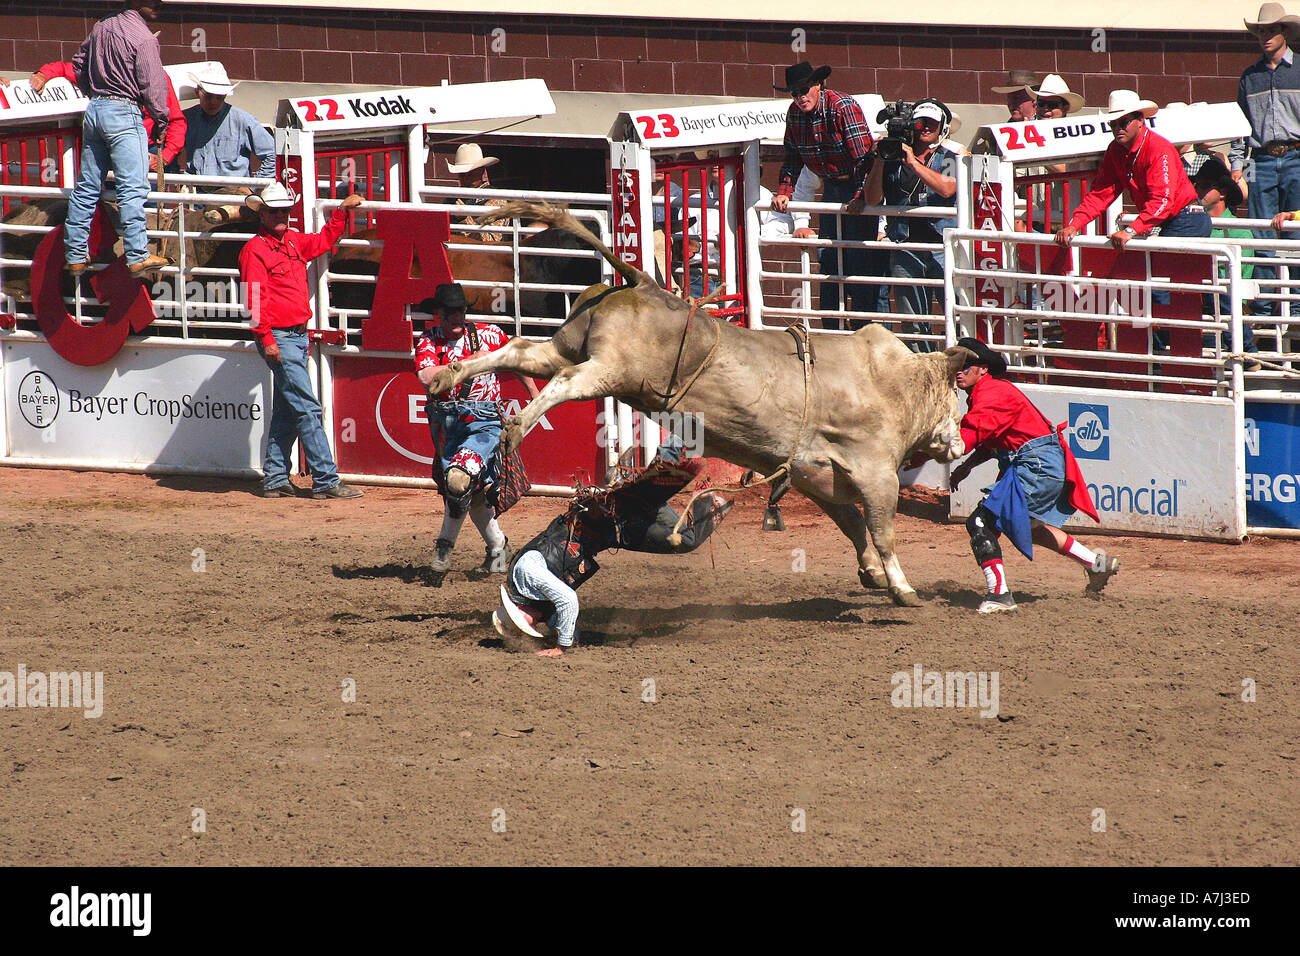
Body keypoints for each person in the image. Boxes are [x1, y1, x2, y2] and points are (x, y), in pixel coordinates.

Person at [494, 439, 733, 656]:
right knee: (684, 539)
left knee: (653, 488)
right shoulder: (540, 604)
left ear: (517, 605)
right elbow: (568, 621)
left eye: (526, 622)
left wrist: (560, 647)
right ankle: (717, 497)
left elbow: (568, 601)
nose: (533, 624)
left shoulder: (526, 573)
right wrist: (567, 637)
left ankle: (682, 432)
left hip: (607, 516)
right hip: (614, 533)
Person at [947, 338, 1119, 614]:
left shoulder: (990, 393)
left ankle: (999, 595)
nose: (959, 370)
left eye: (966, 365)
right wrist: (968, 466)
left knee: (981, 522)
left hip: (1036, 464)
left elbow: (969, 436)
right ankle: (1097, 564)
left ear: (983, 369)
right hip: (1043, 463)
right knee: (1027, 527)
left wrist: (931, 447)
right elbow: (992, 439)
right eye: (956, 364)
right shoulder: (992, 391)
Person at [239, 182, 365, 500]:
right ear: (262, 214)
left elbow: (322, 241)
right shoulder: (255, 251)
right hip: (281, 337)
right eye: (275, 211)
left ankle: (275, 479)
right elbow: (252, 301)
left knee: (289, 409)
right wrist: (266, 339)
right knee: (307, 408)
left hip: (291, 336)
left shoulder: (291, 242)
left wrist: (341, 213)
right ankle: (325, 480)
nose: (281, 215)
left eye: (284, 210)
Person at [415, 283, 541, 572]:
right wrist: (468, 363)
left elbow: (515, 358)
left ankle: (442, 554)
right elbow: (426, 377)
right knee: (470, 494)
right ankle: (499, 549)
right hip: (446, 424)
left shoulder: (489, 333)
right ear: (438, 314)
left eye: (461, 311)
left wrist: (535, 395)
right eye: (450, 312)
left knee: (458, 482)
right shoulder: (429, 339)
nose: (457, 317)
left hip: (484, 422)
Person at [63, 0, 171, 279]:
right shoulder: (144, 38)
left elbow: (78, 63)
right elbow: (154, 85)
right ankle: (137, 255)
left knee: (87, 186)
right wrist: (160, 121)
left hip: (96, 109)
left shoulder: (102, 26)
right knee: (132, 187)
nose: (159, 4)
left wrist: (92, 91)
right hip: (124, 111)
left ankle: (75, 254)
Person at [770, 61, 881, 327]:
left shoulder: (843, 107)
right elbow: (793, 156)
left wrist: (861, 196)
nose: (800, 97)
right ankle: (832, 328)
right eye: (794, 92)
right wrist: (785, 191)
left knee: (860, 264)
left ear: (819, 85)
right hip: (832, 186)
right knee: (830, 260)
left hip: (858, 184)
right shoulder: (795, 114)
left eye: (804, 89)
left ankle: (864, 329)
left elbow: (863, 159)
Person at [1055, 90, 1209, 250]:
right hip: (1171, 219)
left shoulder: (1158, 149)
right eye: (1113, 124)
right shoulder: (1115, 150)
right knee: (1146, 270)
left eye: (1124, 122)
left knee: (1157, 270)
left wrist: (1130, 230)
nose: (1118, 128)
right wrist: (1074, 225)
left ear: (1140, 120)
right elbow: (1101, 194)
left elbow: (1162, 200)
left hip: (1187, 218)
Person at [862, 98, 958, 353]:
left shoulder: (949, 156)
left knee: (956, 314)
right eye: (920, 123)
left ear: (942, 127)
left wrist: (914, 163)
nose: (926, 128)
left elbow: (947, 188)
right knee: (913, 323)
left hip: (942, 246)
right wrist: (880, 160)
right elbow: (872, 199)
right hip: (905, 246)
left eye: (932, 123)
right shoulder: (892, 158)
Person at [5, 57, 186, 175]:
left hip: (145, 152)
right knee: (106, 210)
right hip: (109, 150)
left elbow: (176, 122)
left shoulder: (157, 77)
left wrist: (165, 157)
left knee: (147, 211)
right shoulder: (102, 72)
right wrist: (44, 74)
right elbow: (64, 68)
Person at [1233, 4, 1300, 318]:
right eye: (1261, 30)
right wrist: (1239, 170)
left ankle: (1296, 310)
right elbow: (1240, 129)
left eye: (1271, 29)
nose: (1265, 36)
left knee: (1296, 234)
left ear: (1284, 32)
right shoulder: (1249, 77)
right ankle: (1262, 309)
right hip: (1260, 159)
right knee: (1261, 235)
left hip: (1297, 157)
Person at [1193, 159, 1262, 367]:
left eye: (1205, 186)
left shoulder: (1240, 232)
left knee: (1226, 296)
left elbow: (1242, 281)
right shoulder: (1193, 223)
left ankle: (1246, 350)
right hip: (1200, 300)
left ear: (1222, 192)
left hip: (1221, 304)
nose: (1198, 191)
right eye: (1197, 186)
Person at [182, 63, 275, 182]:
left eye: (219, 97)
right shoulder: (186, 119)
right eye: (208, 96)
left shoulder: (243, 120)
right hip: (197, 191)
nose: (214, 102)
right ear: (197, 92)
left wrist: (252, 187)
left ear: (225, 96)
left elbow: (272, 155)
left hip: (233, 193)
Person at [447, 143, 504, 242]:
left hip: (479, 256)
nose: (466, 177)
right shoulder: (451, 199)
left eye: (472, 172)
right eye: (462, 174)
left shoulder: (496, 199)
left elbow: (491, 242)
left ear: (482, 171)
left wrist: (464, 219)